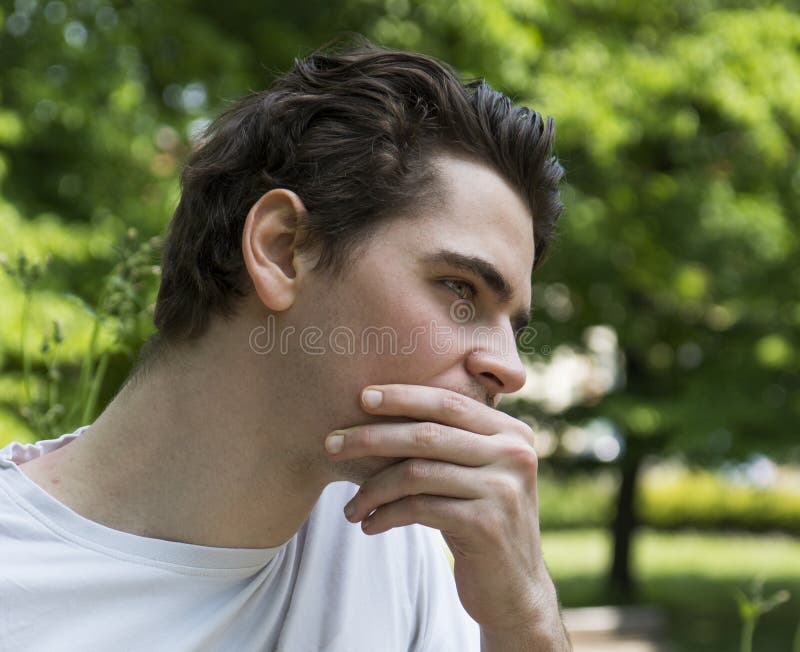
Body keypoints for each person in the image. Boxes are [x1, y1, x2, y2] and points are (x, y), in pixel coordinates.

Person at [0, 37, 571, 651]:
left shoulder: (395, 547)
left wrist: (524, 614)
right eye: (461, 289)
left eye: (513, 328)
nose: (510, 369)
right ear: (281, 250)